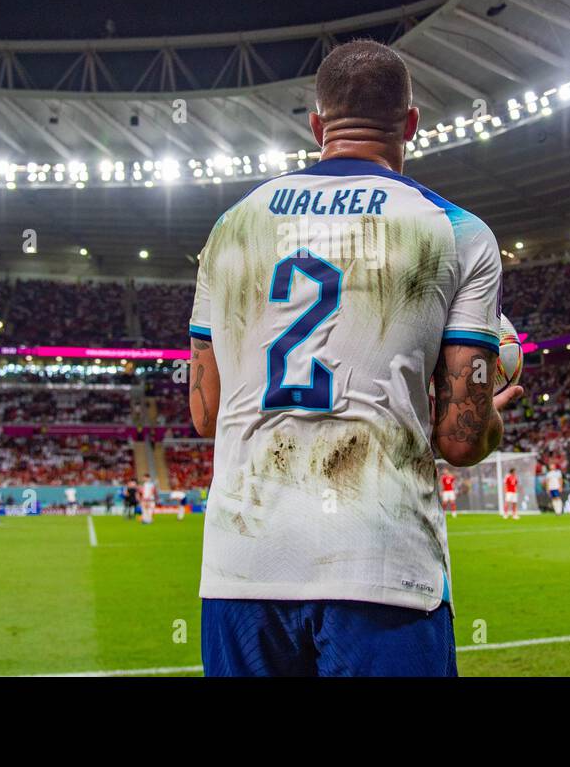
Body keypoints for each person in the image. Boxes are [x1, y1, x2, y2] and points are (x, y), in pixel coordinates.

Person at [188, 39, 523, 677]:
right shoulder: (457, 230)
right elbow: (459, 439)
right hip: (381, 568)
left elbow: (204, 413)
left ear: (316, 126)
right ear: (411, 124)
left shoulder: (230, 226)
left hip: (242, 567)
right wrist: (492, 416)